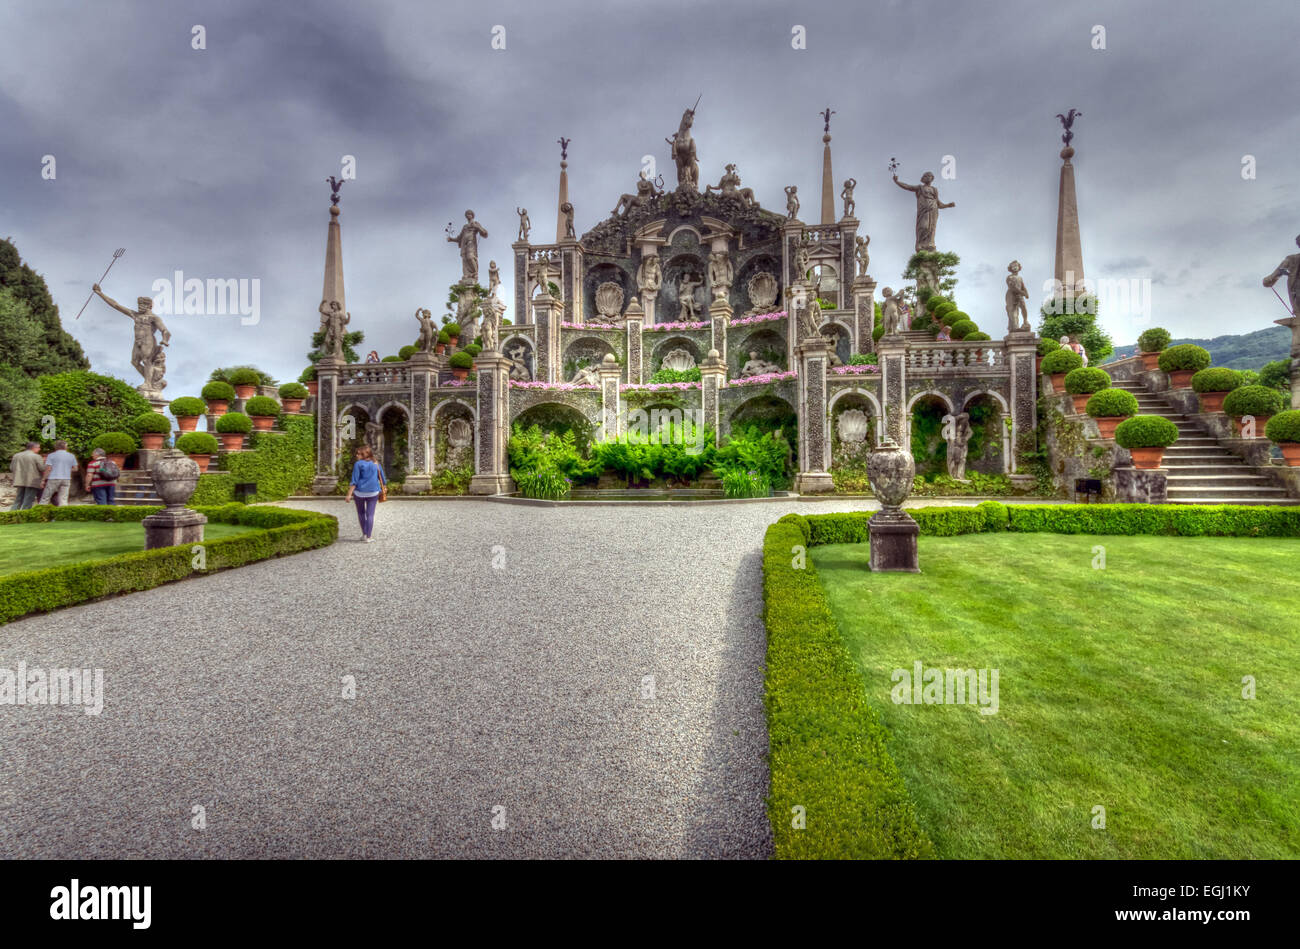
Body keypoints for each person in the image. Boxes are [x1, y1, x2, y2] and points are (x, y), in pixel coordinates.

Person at [344, 444, 386, 542]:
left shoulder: (358, 464)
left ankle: (364, 534)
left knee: (361, 514)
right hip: (373, 492)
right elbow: (382, 479)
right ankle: (368, 537)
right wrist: (384, 487)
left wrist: (349, 494)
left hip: (359, 493)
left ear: (364, 455)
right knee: (370, 515)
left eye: (358, 454)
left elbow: (354, 481)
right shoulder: (376, 463)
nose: (356, 456)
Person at [39, 440, 79, 506]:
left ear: (56, 447)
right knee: (63, 499)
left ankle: (40, 513)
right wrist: (66, 469)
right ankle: (62, 514)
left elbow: (48, 469)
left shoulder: (51, 455)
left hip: (53, 478)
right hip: (66, 478)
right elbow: (75, 469)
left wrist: (43, 480)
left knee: (45, 498)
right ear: (66, 447)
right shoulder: (71, 456)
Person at [9, 441, 45, 510]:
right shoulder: (37, 456)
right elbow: (42, 468)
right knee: (28, 500)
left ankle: (12, 515)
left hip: (19, 480)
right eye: (39, 447)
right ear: (34, 448)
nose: (39, 449)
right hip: (32, 481)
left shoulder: (16, 455)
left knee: (18, 499)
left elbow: (11, 468)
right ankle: (24, 516)